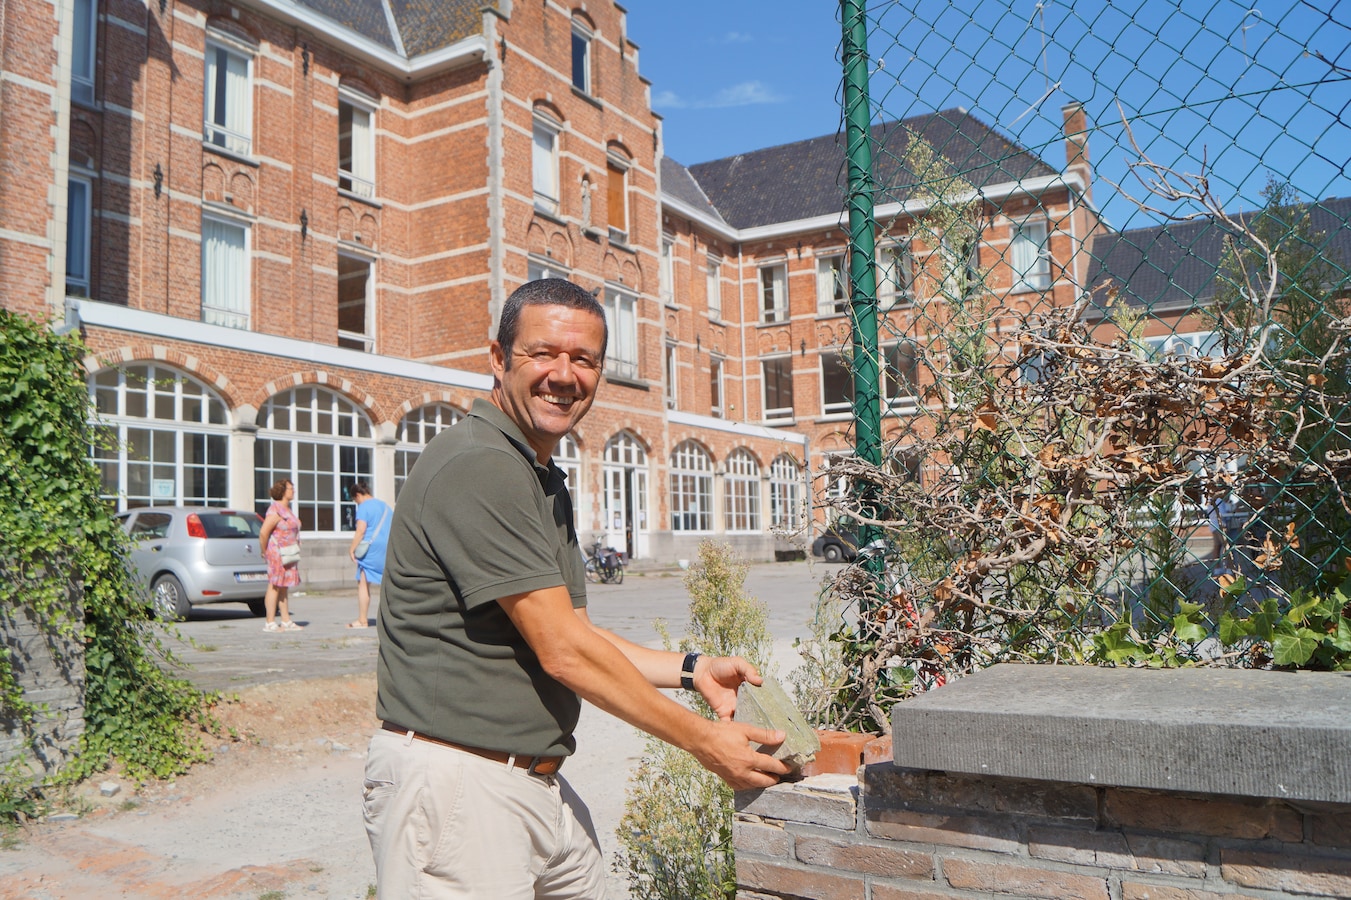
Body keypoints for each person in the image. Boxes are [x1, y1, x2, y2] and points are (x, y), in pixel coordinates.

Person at [364, 279, 789, 898]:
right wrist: (704, 742)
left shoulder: (536, 474)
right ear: (498, 358)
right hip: (460, 787)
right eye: (543, 353)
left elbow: (576, 634)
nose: (564, 375)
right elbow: (564, 652)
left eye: (584, 359)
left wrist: (692, 668)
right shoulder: (480, 464)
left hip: (531, 782)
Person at [258, 478, 303, 632]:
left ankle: (286, 620)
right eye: (290, 488)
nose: (293, 491)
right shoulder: (275, 510)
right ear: (283, 491)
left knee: (284, 586)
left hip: (289, 552)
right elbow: (263, 533)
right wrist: (264, 551)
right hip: (277, 552)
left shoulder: (287, 509)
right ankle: (270, 622)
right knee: (274, 586)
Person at [347, 481, 391, 628]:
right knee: (387, 582)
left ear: (358, 495)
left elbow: (361, 530)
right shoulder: (385, 506)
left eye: (355, 500)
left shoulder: (364, 507)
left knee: (363, 582)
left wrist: (352, 549)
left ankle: (362, 620)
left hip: (371, 549)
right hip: (386, 547)